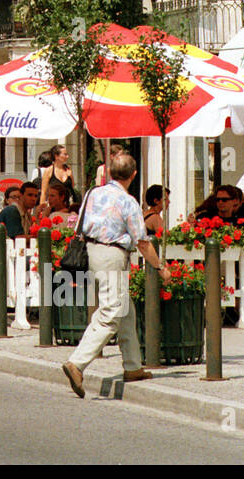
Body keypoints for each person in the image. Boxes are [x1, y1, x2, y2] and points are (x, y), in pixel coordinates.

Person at [62, 153, 170, 397]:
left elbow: (80, 223)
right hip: (112, 255)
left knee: (125, 310)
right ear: (133, 175)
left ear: (110, 173)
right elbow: (142, 241)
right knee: (111, 311)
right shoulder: (128, 201)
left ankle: (132, 366)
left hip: (91, 253)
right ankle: (77, 363)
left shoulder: (92, 193)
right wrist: (160, 267)